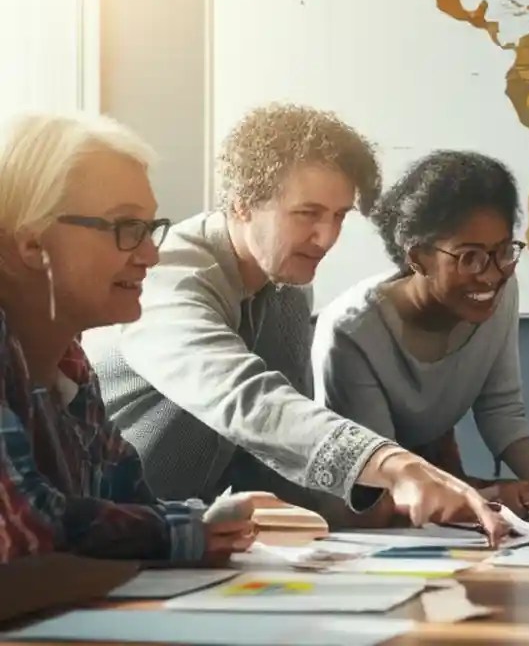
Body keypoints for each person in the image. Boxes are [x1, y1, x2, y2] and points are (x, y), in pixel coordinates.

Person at [84, 104, 505, 539]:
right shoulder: (168, 277)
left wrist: (384, 505)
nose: (327, 238)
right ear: (242, 204)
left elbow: (279, 455)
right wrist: (391, 463)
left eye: (339, 216)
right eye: (308, 214)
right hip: (103, 533)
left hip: (188, 535)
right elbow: (246, 399)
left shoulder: (288, 288)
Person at [0, 112, 278, 563]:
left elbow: (127, 502)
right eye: (125, 228)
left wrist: (208, 523)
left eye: (149, 229)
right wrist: (184, 532)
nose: (150, 255)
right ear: (32, 244)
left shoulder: (70, 363)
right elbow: (28, 530)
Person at [313, 151, 529, 519]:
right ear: (417, 258)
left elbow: (501, 409)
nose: (491, 275)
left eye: (503, 252)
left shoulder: (498, 294)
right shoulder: (352, 333)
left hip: (429, 492)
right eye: (469, 257)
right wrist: (495, 496)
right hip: (359, 508)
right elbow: (382, 484)